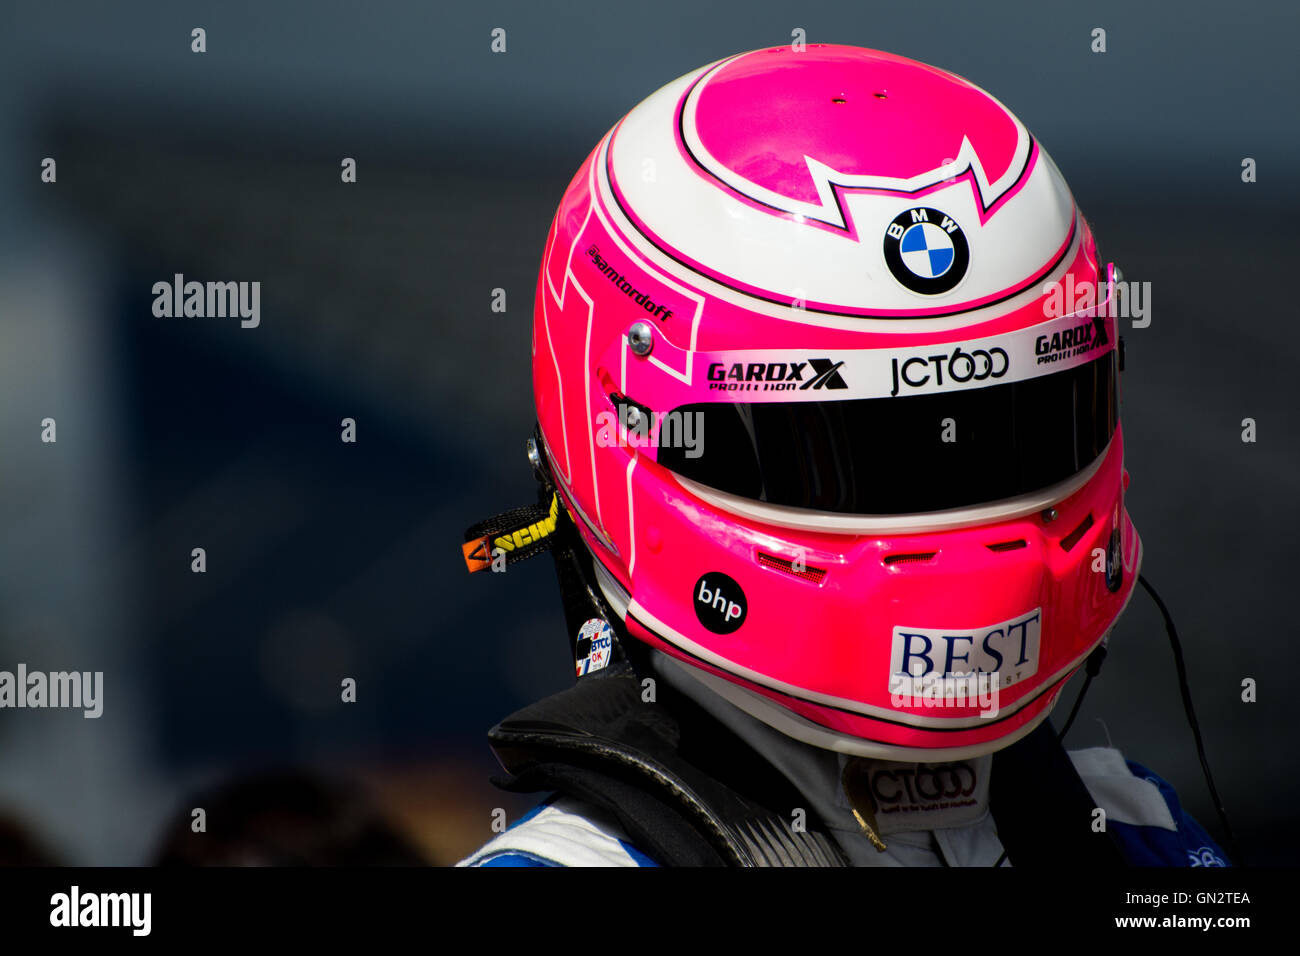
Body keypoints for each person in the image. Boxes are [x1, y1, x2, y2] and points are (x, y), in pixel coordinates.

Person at [457, 44, 1232, 867]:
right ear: (627, 425)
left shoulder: (1140, 835)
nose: (959, 530)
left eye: (1015, 430)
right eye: (840, 454)